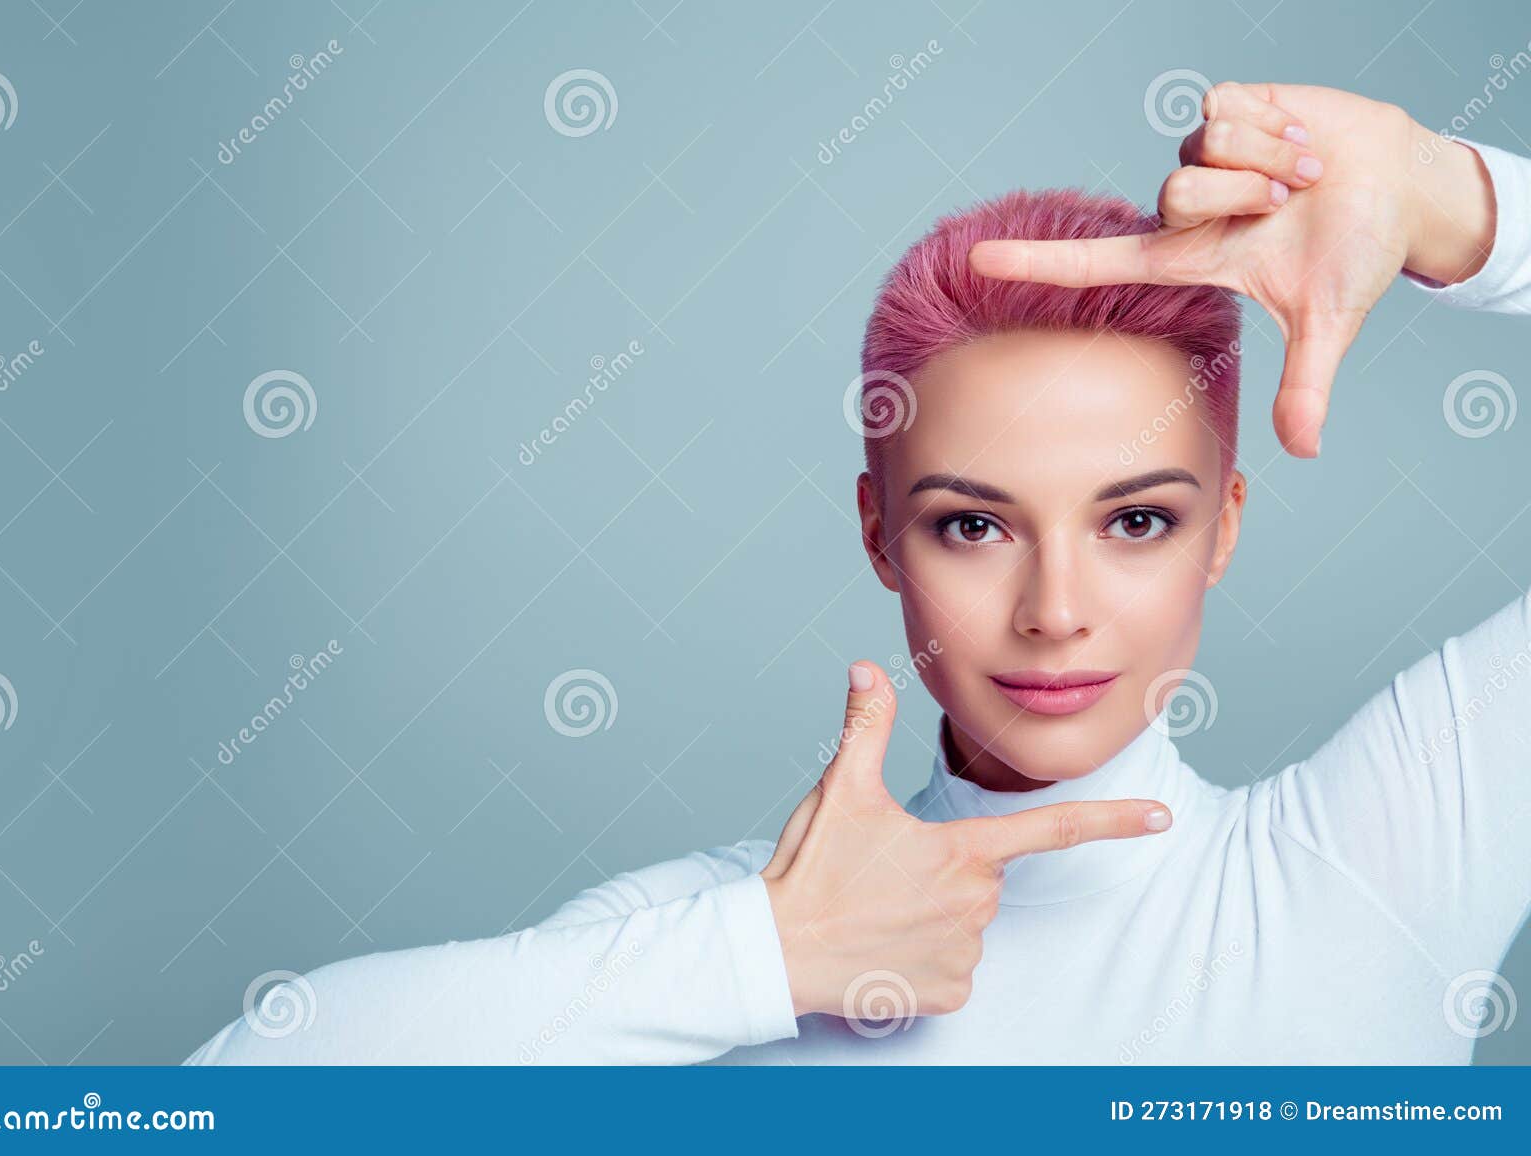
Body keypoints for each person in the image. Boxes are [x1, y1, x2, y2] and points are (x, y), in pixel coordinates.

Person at [185, 81, 1529, 1065]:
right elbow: (244, 1086)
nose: (1055, 611)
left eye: (1134, 523)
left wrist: (1454, 203)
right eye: (972, 525)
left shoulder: (1382, 862)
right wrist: (762, 959)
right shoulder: (724, 945)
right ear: (879, 532)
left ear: (1224, 526)